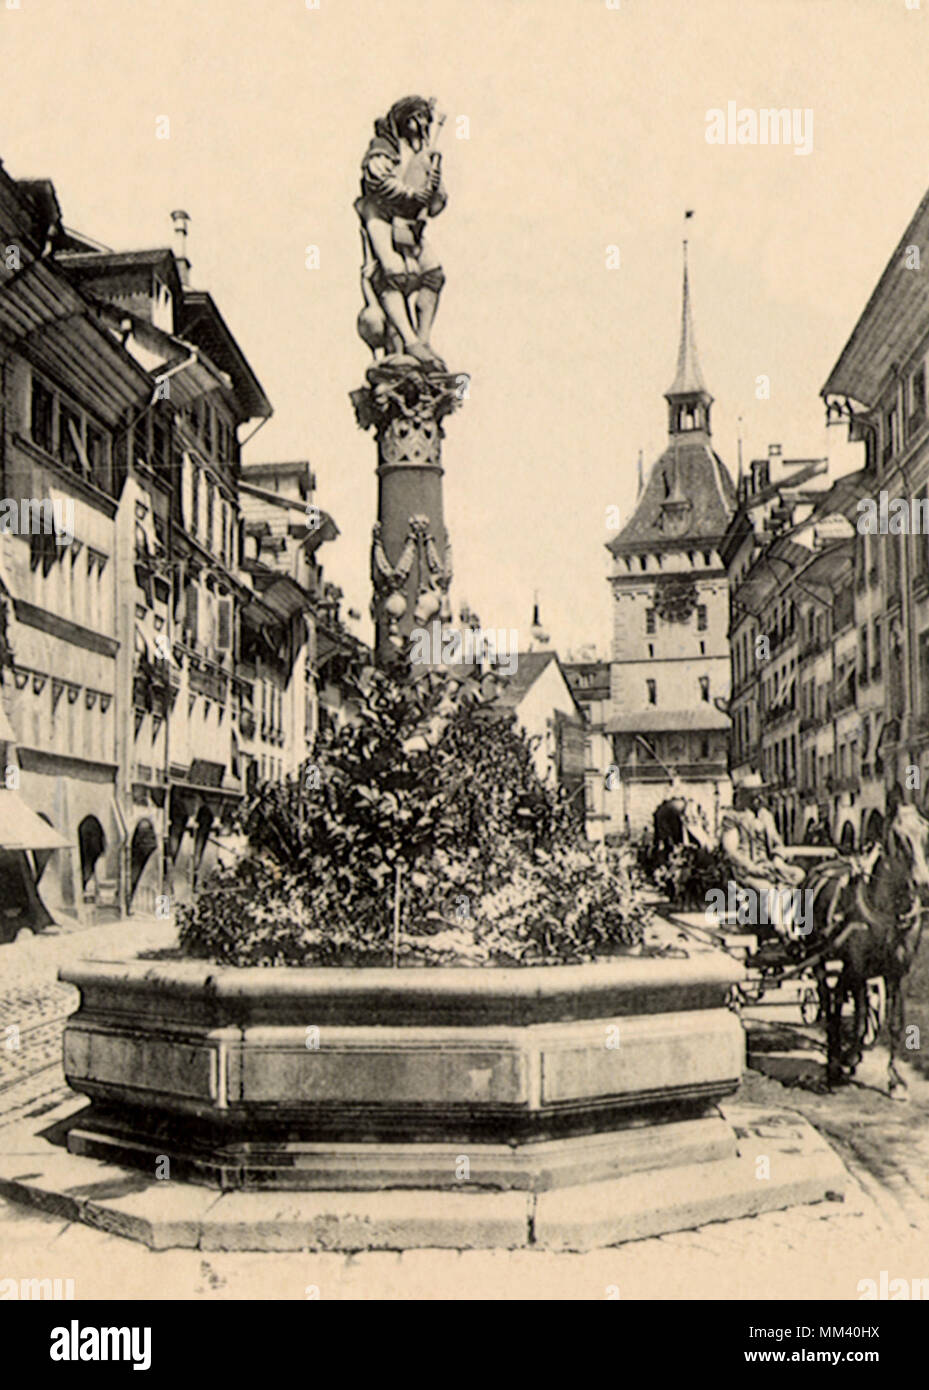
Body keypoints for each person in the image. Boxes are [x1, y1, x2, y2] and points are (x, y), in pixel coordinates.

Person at [355, 96, 447, 367]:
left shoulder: (423, 152)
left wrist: (435, 187)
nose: (420, 124)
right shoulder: (384, 147)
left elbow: (434, 203)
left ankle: (423, 340)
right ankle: (409, 342)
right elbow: (377, 178)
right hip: (381, 215)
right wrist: (412, 193)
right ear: (403, 119)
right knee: (394, 273)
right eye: (415, 118)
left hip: (409, 223)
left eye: (424, 119)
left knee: (433, 275)